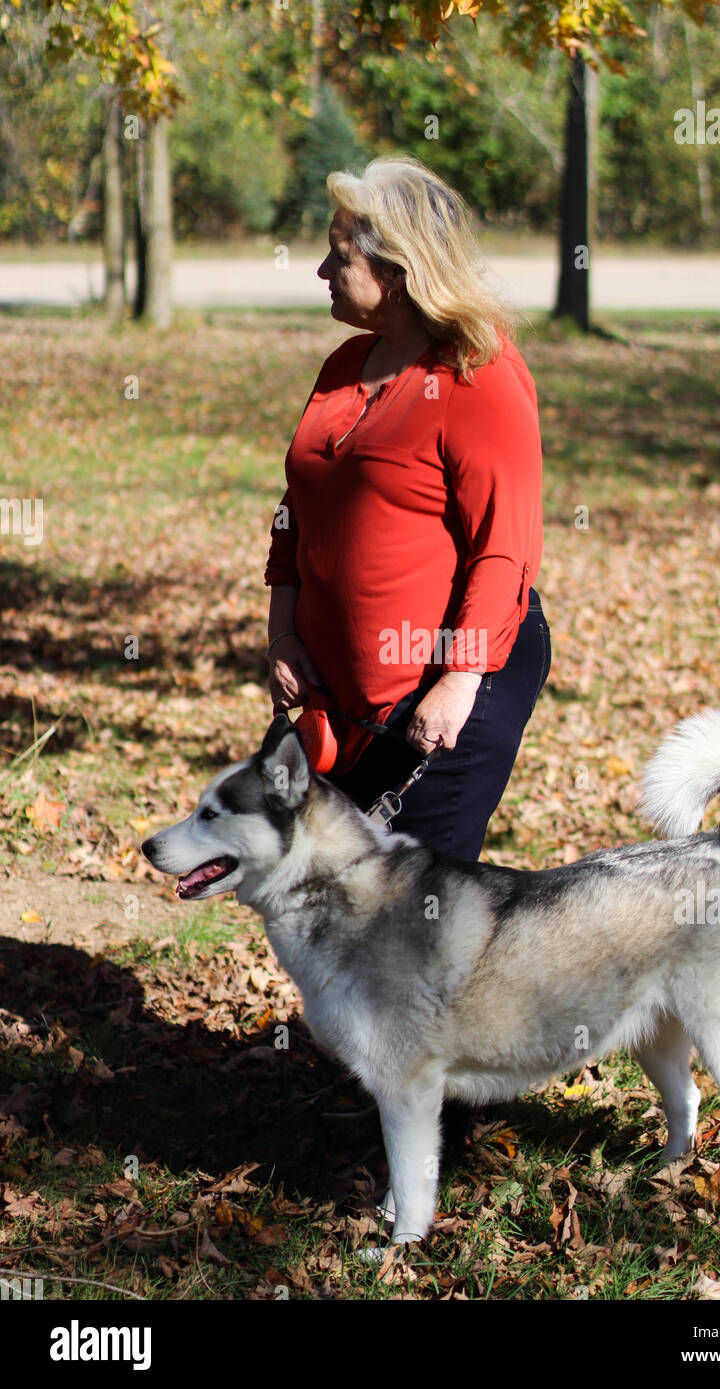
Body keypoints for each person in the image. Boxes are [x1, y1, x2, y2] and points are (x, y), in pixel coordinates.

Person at [265, 155, 550, 872]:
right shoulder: (342, 366)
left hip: (451, 687)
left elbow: (504, 548)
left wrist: (458, 682)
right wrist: (283, 631)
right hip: (347, 698)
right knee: (343, 896)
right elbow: (295, 509)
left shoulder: (476, 375)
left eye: (339, 257)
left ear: (396, 269)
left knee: (415, 915)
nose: (322, 273)